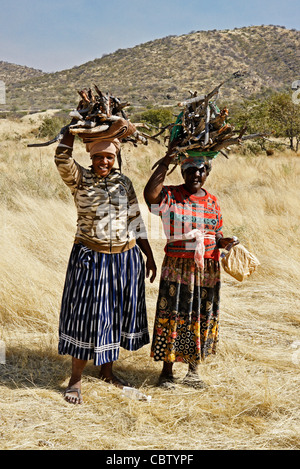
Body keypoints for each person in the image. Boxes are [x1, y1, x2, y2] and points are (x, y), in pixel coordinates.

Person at [55, 128, 156, 404]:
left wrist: (149, 255)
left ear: (115, 157)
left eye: (109, 157)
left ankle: (106, 372)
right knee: (86, 318)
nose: (104, 162)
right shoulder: (80, 179)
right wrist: (71, 130)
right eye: (98, 157)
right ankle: (75, 380)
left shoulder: (123, 183)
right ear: (91, 157)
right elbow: (62, 159)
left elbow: (136, 219)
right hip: (91, 259)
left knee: (114, 315)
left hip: (124, 259)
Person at [144, 151, 238, 388]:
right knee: (173, 314)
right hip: (178, 266)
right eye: (190, 170)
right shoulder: (171, 196)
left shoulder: (212, 201)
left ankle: (193, 371)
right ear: (183, 171)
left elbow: (215, 233)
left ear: (207, 173)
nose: (196, 174)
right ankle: (167, 372)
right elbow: (150, 196)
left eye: (201, 170)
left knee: (200, 316)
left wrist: (223, 241)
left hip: (207, 268)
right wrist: (167, 159)